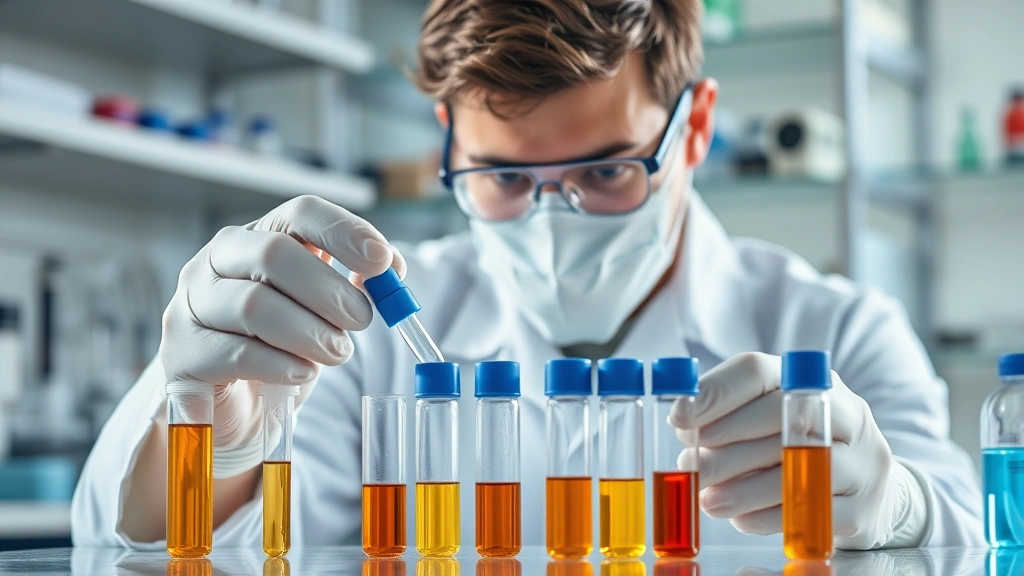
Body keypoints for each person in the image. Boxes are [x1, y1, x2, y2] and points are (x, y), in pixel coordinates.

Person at [72, 0, 982, 550]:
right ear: (446, 139)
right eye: (504, 177)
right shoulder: (362, 339)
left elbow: (968, 541)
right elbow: (169, 548)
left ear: (694, 129)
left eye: (605, 170)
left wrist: (893, 507)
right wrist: (209, 434)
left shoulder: (839, 330)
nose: (556, 220)